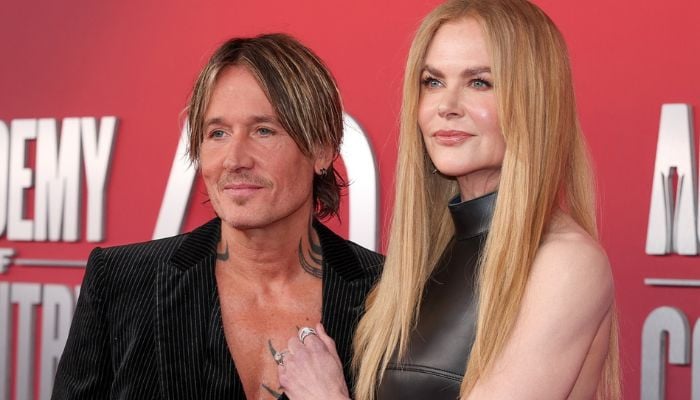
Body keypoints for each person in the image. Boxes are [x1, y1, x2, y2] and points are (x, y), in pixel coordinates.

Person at [276, 0, 620, 399]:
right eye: (433, 82)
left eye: (480, 82)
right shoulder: (424, 260)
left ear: (535, 100)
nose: (446, 107)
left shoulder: (565, 262)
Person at [51, 33, 383, 400]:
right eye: (218, 133)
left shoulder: (389, 292)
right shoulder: (121, 282)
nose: (235, 159)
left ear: (322, 149)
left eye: (263, 131)